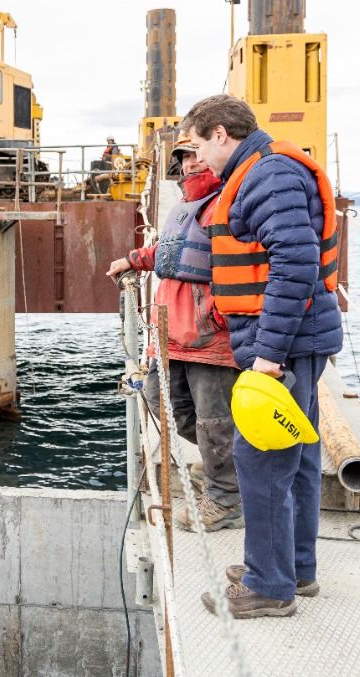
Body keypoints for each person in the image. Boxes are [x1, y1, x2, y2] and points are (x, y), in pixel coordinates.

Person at [179, 94, 342, 620]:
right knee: (296, 453)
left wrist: (268, 354)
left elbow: (294, 264)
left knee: (261, 459)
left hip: (284, 345)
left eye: (200, 144)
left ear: (221, 134)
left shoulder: (266, 176)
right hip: (297, 339)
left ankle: (268, 587)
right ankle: (295, 568)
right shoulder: (262, 171)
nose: (198, 157)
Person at [105, 138, 243, 531]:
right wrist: (133, 260)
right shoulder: (184, 208)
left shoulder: (227, 204)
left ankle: (225, 500)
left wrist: (218, 317)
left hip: (208, 338)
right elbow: (172, 251)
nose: (189, 165)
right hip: (173, 334)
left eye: (196, 156)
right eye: (183, 159)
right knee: (164, 404)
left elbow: (243, 266)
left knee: (214, 422)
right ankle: (228, 468)